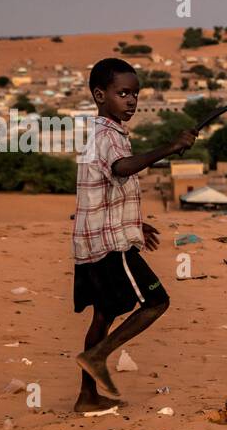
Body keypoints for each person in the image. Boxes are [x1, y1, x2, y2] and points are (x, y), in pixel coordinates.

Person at [71, 57, 196, 410]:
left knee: (103, 315)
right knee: (157, 302)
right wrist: (170, 148)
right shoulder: (107, 137)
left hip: (94, 242)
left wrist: (135, 223)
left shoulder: (107, 135)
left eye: (135, 94)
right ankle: (97, 356)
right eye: (122, 93)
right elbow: (122, 167)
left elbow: (107, 186)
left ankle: (86, 397)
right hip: (111, 247)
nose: (131, 101)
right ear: (100, 95)